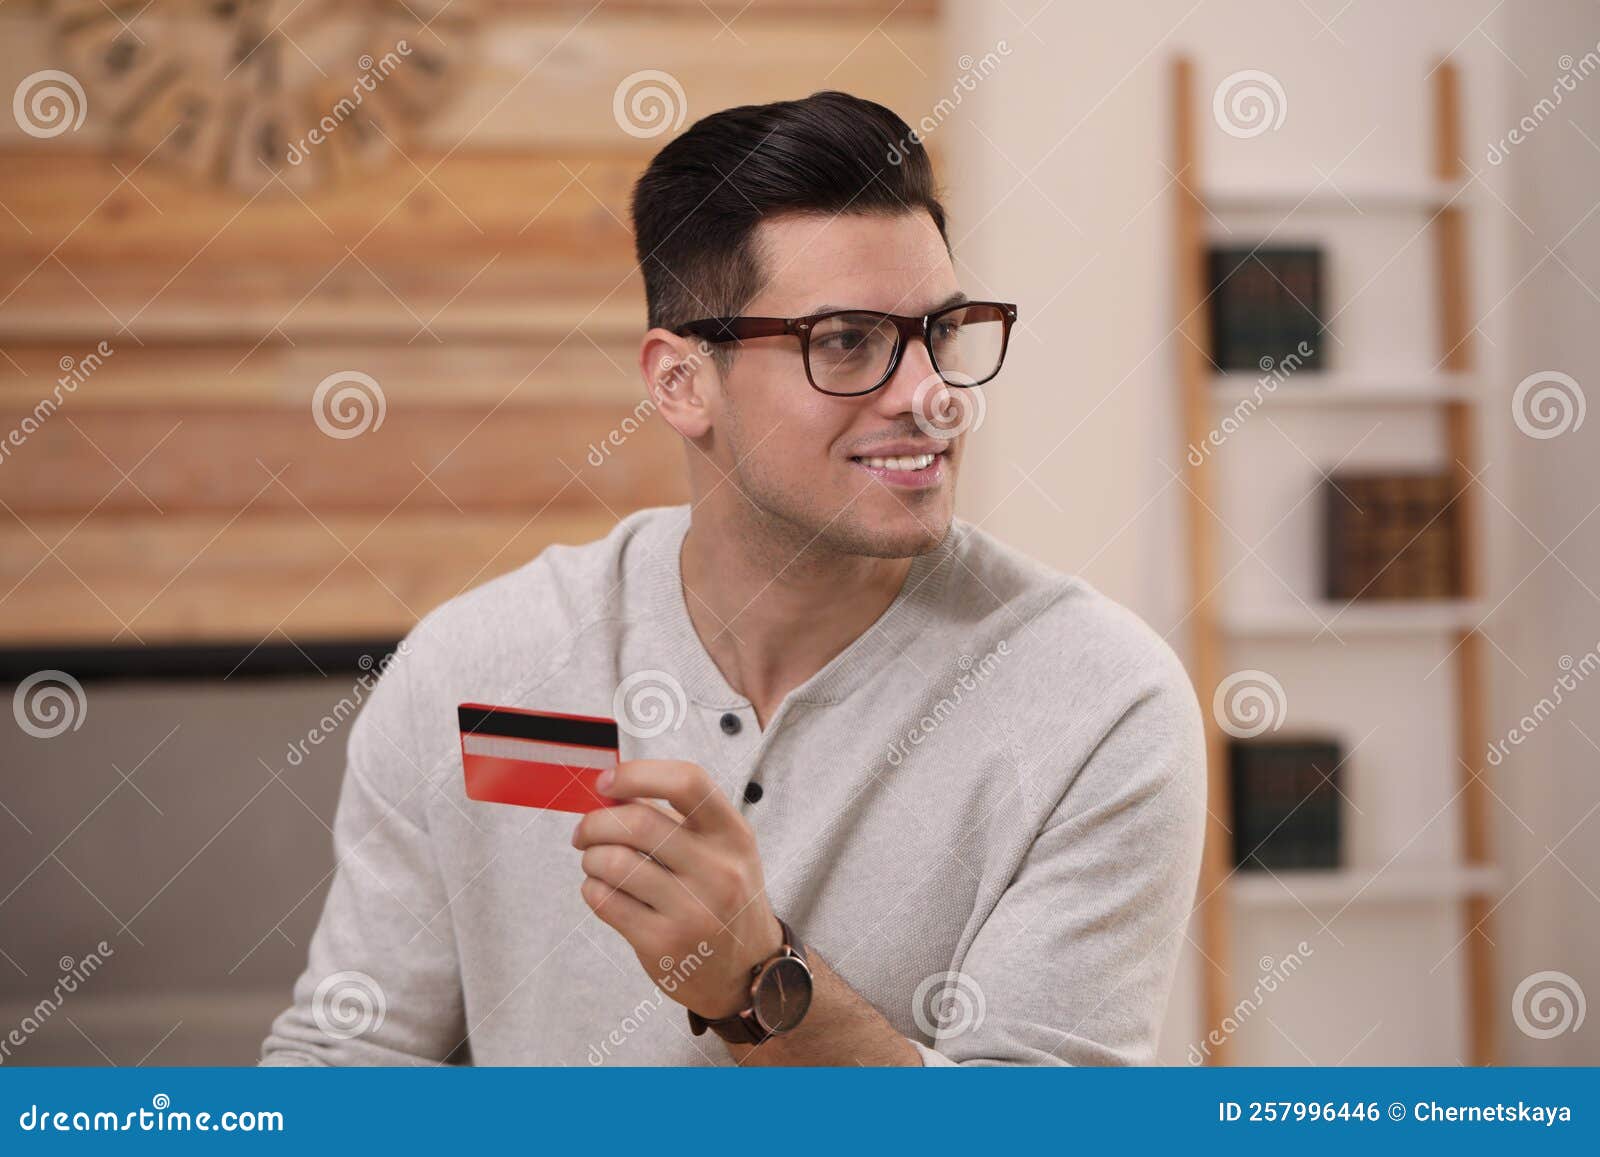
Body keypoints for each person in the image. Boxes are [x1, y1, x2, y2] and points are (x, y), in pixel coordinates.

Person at [262, 90, 1204, 1067]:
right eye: (847, 341)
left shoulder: (1097, 703)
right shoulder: (478, 672)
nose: (932, 397)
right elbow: (348, 1067)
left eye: (942, 334)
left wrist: (760, 984)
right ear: (680, 383)